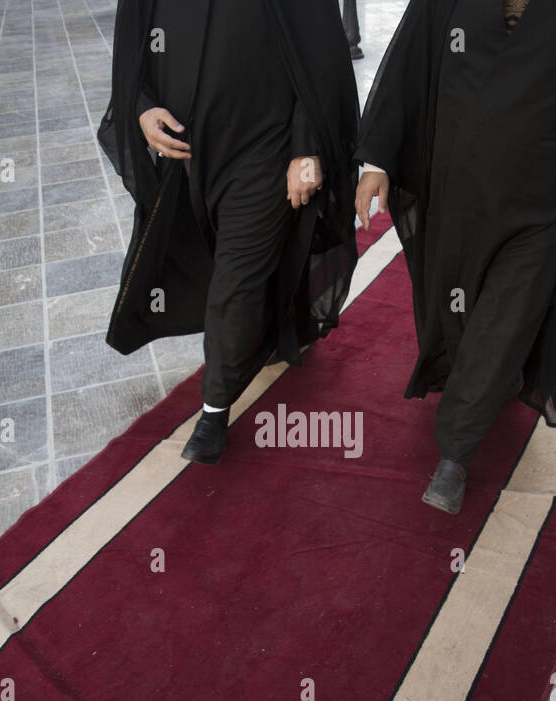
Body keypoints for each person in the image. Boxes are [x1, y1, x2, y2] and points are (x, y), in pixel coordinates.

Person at [355, 0, 556, 513]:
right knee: (459, 310)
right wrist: (377, 159)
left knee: (510, 313)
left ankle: (455, 454)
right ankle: (486, 383)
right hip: (457, 187)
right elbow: (413, 54)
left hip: (550, 193)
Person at [98, 0, 360, 465]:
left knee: (236, 277)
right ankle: (280, 328)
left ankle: (214, 411)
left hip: (266, 146)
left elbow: (317, 51)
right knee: (213, 262)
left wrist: (307, 149)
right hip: (186, 154)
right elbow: (133, 46)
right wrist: (140, 109)